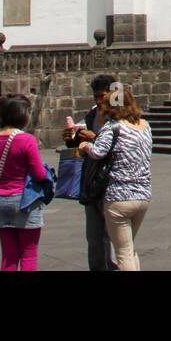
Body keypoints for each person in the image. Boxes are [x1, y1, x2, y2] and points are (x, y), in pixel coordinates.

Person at [79, 85, 153, 271]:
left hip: (118, 197)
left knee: (123, 252)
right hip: (143, 195)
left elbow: (98, 152)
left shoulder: (112, 127)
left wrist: (86, 146)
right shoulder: (145, 126)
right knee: (129, 248)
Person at [0, 95, 52, 271]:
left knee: (9, 255)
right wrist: (48, 172)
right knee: (29, 253)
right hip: (25, 202)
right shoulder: (27, 140)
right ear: (22, 114)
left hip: (1, 201)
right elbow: (38, 174)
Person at [65, 74, 119, 271]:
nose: (98, 100)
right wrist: (72, 137)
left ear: (113, 93)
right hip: (92, 180)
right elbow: (80, 137)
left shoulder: (121, 116)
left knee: (113, 235)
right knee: (94, 236)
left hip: (113, 182)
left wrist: (95, 138)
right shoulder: (92, 114)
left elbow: (123, 146)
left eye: (102, 95)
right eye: (95, 96)